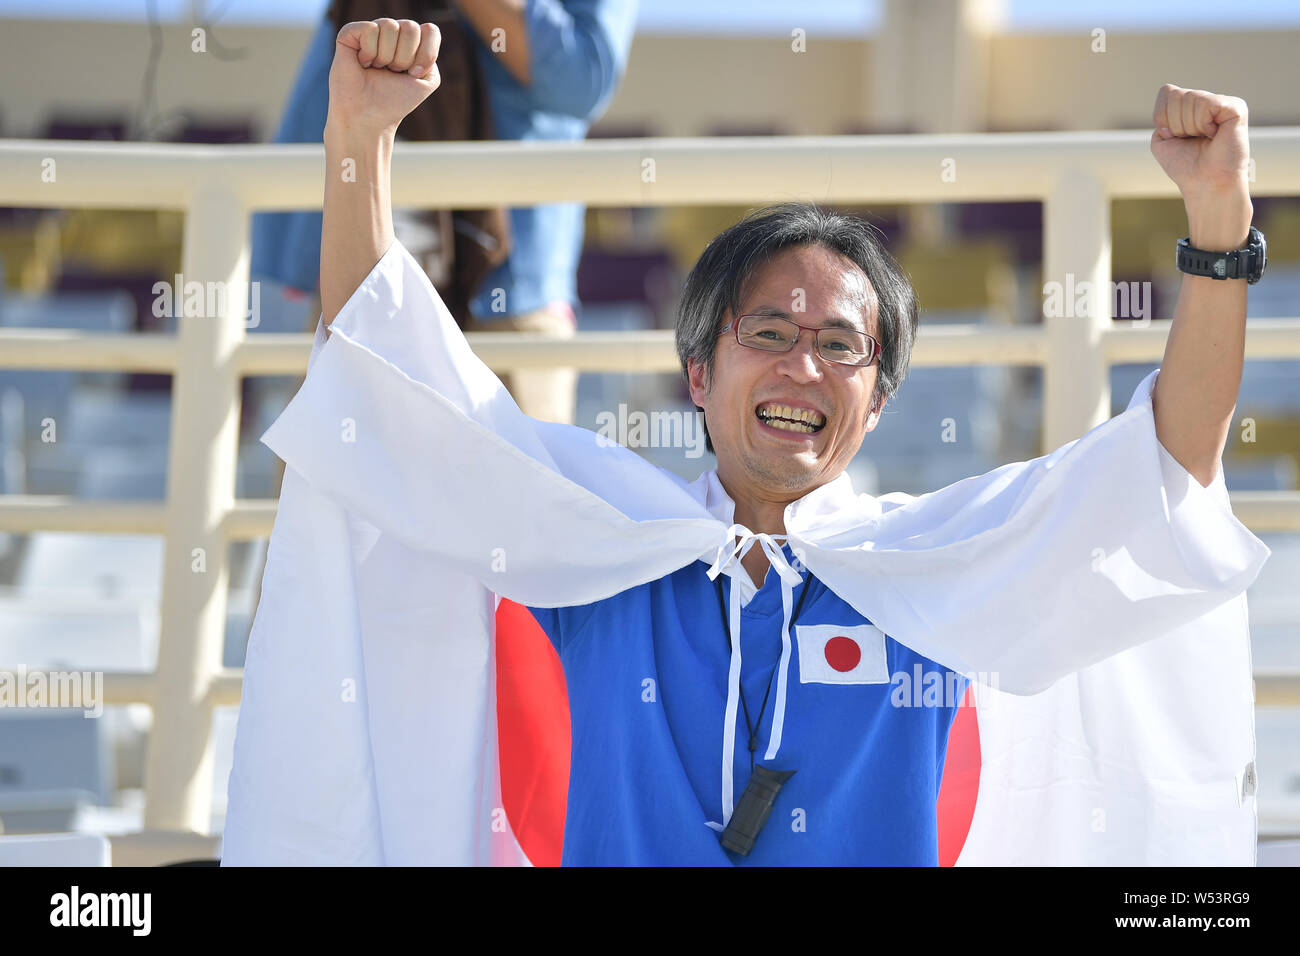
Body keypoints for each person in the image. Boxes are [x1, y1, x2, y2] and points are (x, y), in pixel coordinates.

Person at [222, 21, 1270, 866]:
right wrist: (357, 142)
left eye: (838, 346)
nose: (801, 368)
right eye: (766, 333)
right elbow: (384, 388)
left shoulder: (938, 565)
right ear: (697, 372)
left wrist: (1217, 230)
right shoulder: (601, 537)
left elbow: (1164, 472)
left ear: (879, 396)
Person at [250, 0, 638, 423]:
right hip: (360, 274)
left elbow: (582, 81)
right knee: (325, 479)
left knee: (516, 487)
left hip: (509, 294)